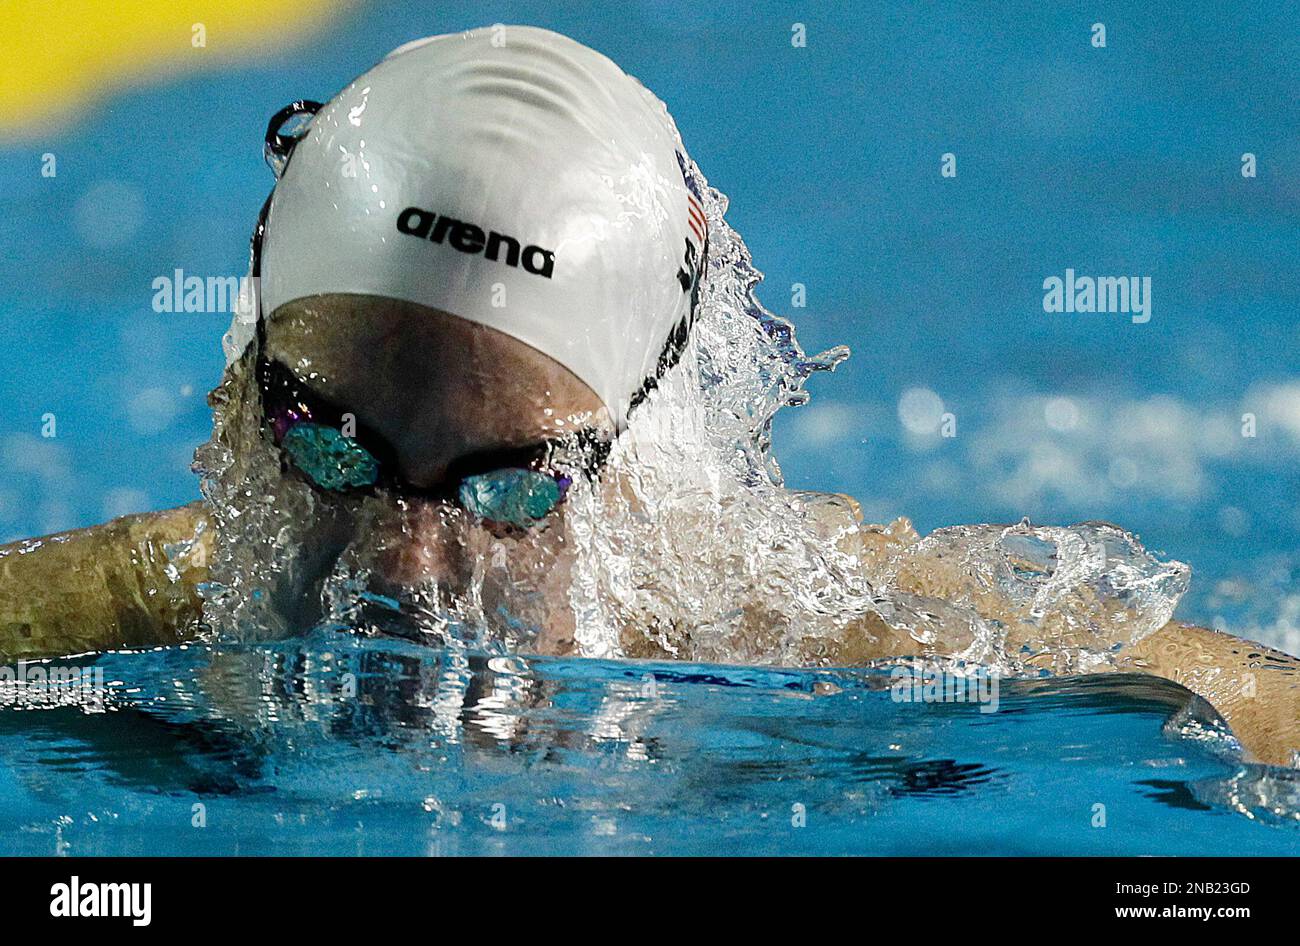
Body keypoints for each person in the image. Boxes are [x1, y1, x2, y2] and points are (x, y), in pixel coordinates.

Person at [0, 26, 1295, 764]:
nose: (403, 572)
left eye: (515, 486)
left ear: (638, 460)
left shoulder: (810, 632)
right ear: (240, 395)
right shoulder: (97, 617)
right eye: (328, 452)